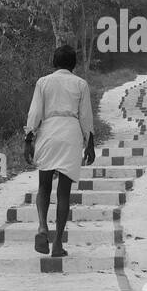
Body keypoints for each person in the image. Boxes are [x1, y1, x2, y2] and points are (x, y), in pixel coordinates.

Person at [24, 44, 96, 257]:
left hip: (48, 132)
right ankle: (57, 245)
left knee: (44, 186)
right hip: (71, 133)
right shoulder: (81, 84)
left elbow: (35, 112)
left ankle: (42, 228)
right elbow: (85, 116)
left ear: (54, 63)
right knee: (63, 192)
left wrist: (28, 139)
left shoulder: (43, 82)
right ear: (74, 64)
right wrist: (89, 143)